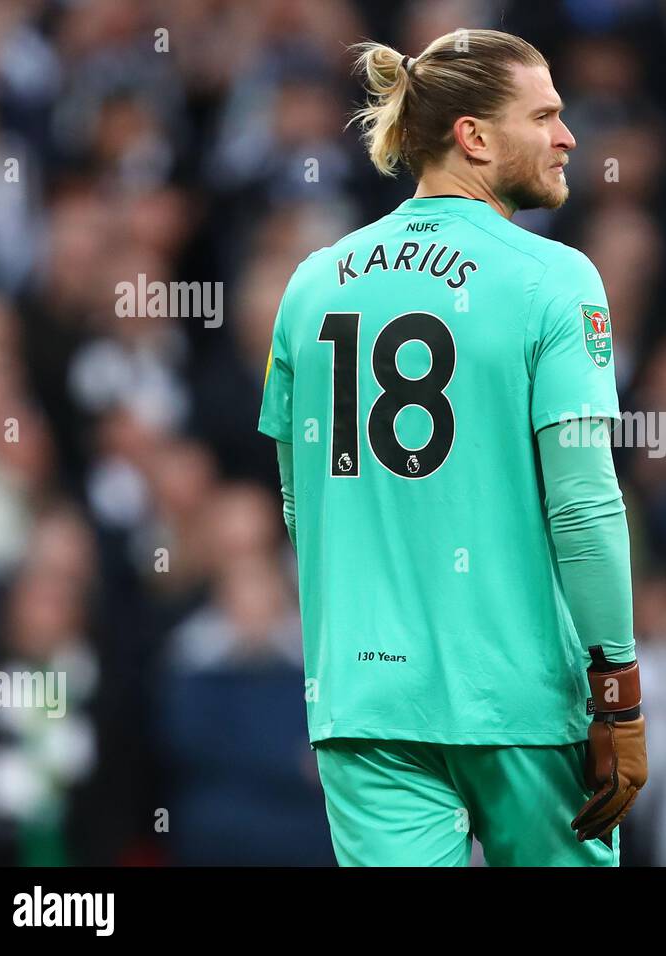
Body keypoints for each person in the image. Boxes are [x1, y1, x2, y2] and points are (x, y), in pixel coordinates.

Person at [257, 29, 645, 866]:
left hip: (365, 702)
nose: (568, 137)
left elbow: (298, 505)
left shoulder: (312, 283)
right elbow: (583, 505)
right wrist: (618, 691)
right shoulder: (555, 279)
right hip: (523, 703)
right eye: (544, 116)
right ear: (473, 136)